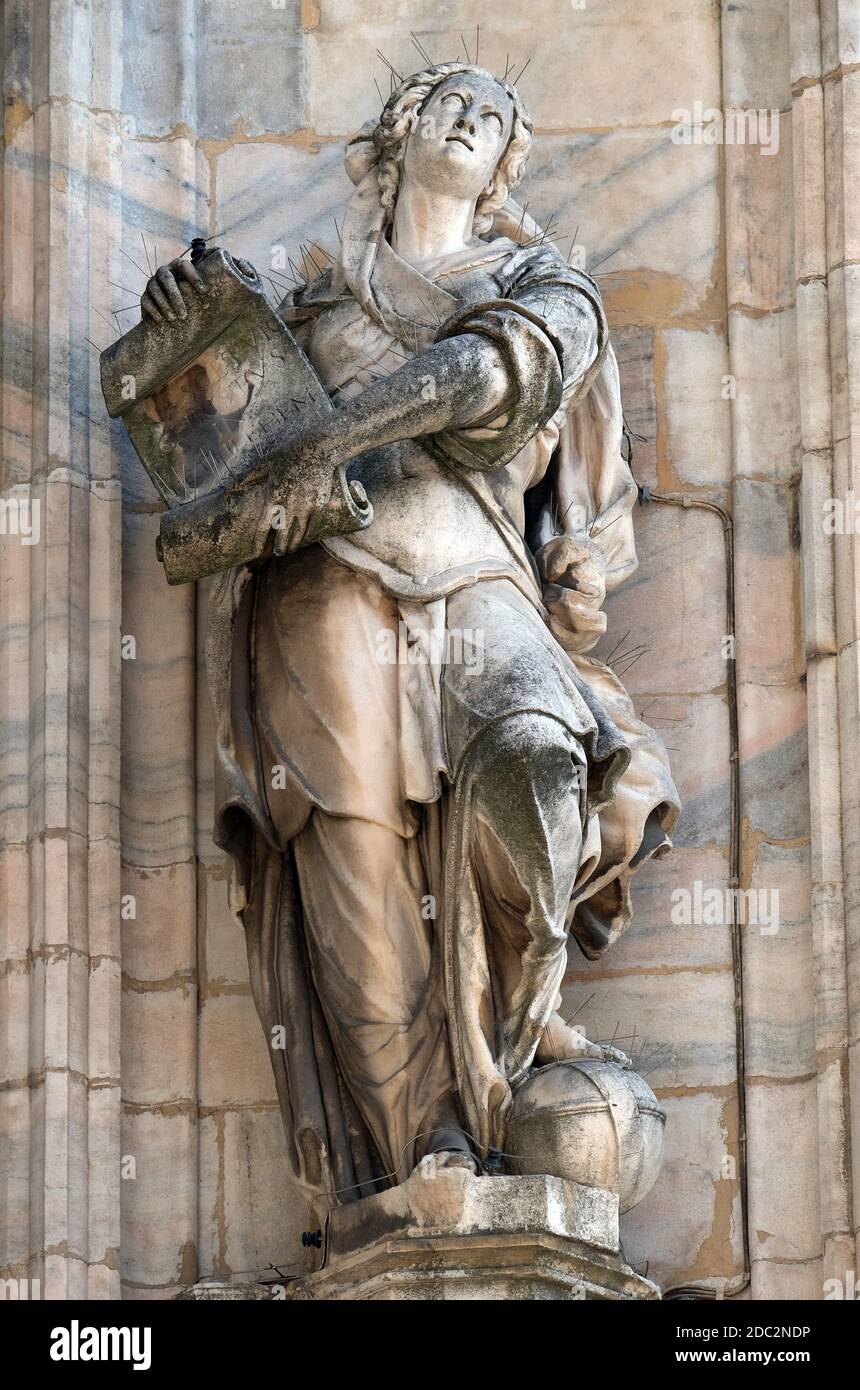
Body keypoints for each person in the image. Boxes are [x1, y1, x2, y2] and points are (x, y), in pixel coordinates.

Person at [141, 62, 680, 1205]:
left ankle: (508, 1048)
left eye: (494, 115)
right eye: (447, 100)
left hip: (472, 566)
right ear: (399, 134)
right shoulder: (314, 309)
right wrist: (195, 362)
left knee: (537, 753)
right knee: (353, 846)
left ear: (503, 171)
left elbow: (490, 374)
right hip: (322, 582)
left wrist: (330, 431)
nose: (472, 115)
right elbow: (215, 463)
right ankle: (419, 1141)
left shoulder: (543, 283)